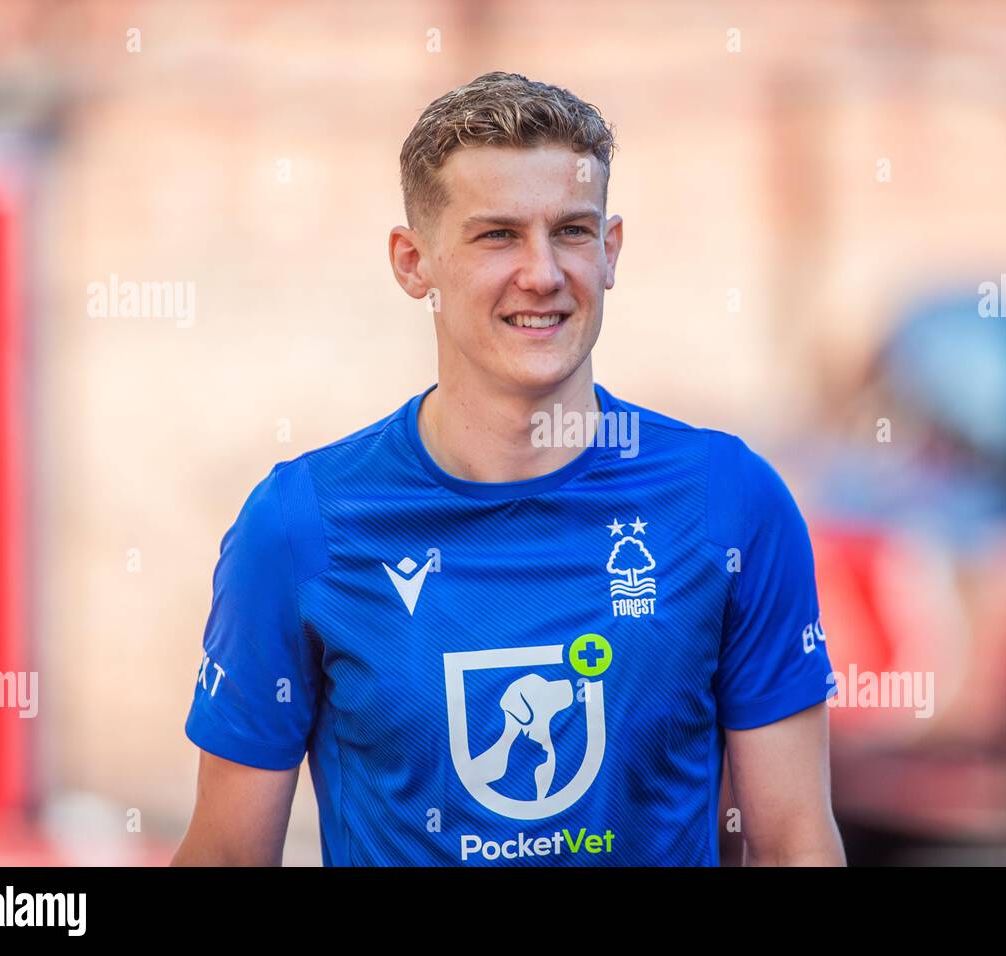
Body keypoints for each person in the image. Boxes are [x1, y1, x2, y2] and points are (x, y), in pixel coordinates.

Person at [171, 71, 843, 866]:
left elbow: (795, 842)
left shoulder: (729, 503)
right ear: (412, 262)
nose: (543, 274)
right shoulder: (301, 527)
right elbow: (224, 857)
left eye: (571, 232)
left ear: (611, 249)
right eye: (497, 235)